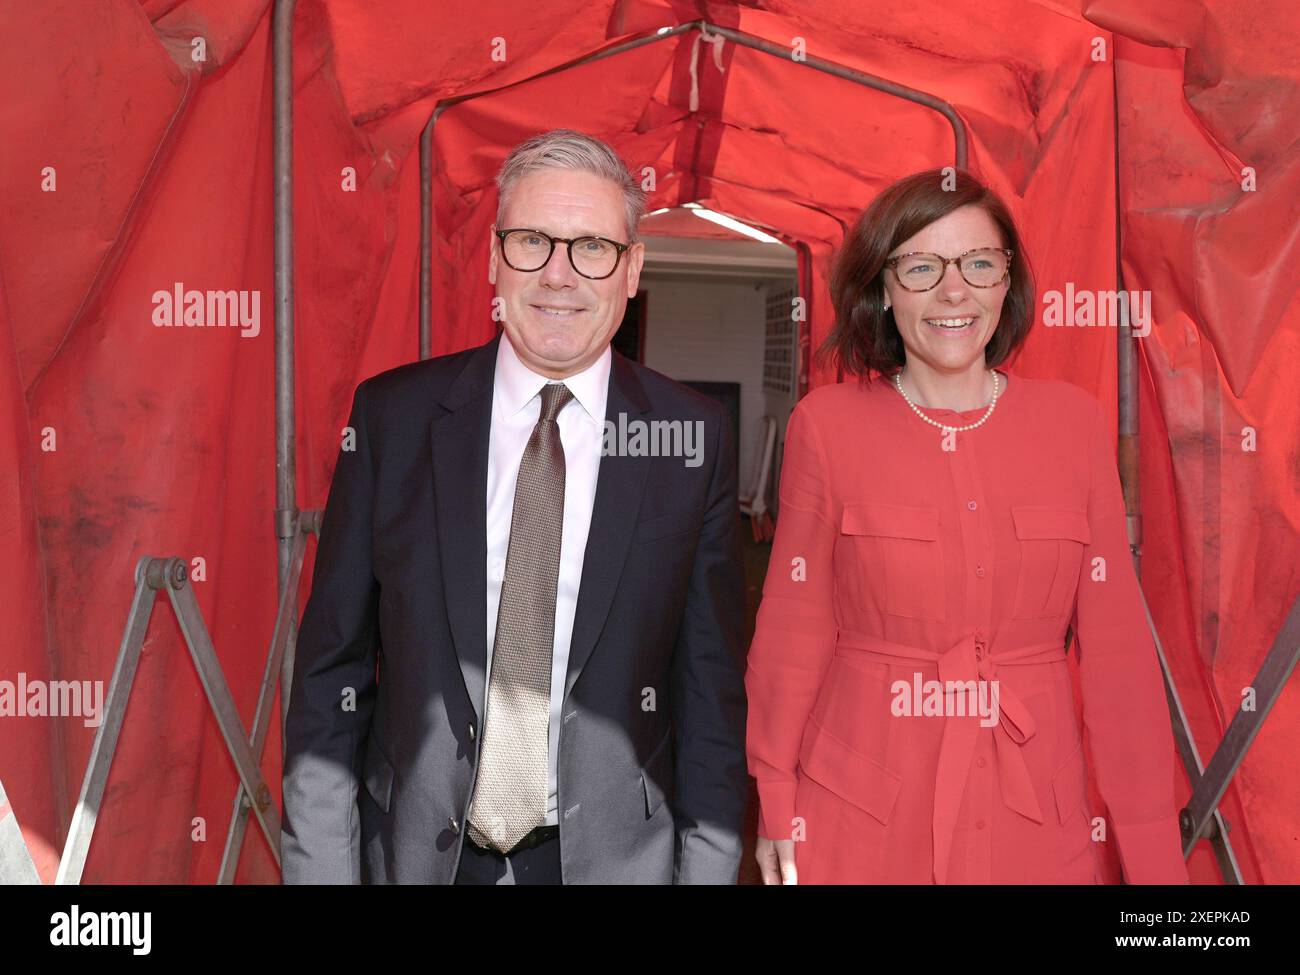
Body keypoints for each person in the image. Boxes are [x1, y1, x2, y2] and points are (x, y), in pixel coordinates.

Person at [281, 129, 747, 884]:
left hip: (614, 865)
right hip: (416, 860)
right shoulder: (393, 421)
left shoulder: (692, 439)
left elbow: (710, 699)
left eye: (591, 247)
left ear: (631, 270)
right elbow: (329, 676)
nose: (558, 275)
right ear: (496, 257)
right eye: (533, 240)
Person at [745, 169, 1188, 884]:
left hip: (1036, 815)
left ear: (1005, 281)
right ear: (883, 289)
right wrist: (775, 795)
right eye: (921, 266)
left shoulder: (1074, 424)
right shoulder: (825, 428)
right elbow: (792, 630)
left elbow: (1119, 651)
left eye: (979, 263)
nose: (955, 291)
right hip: (861, 812)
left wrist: (1152, 853)